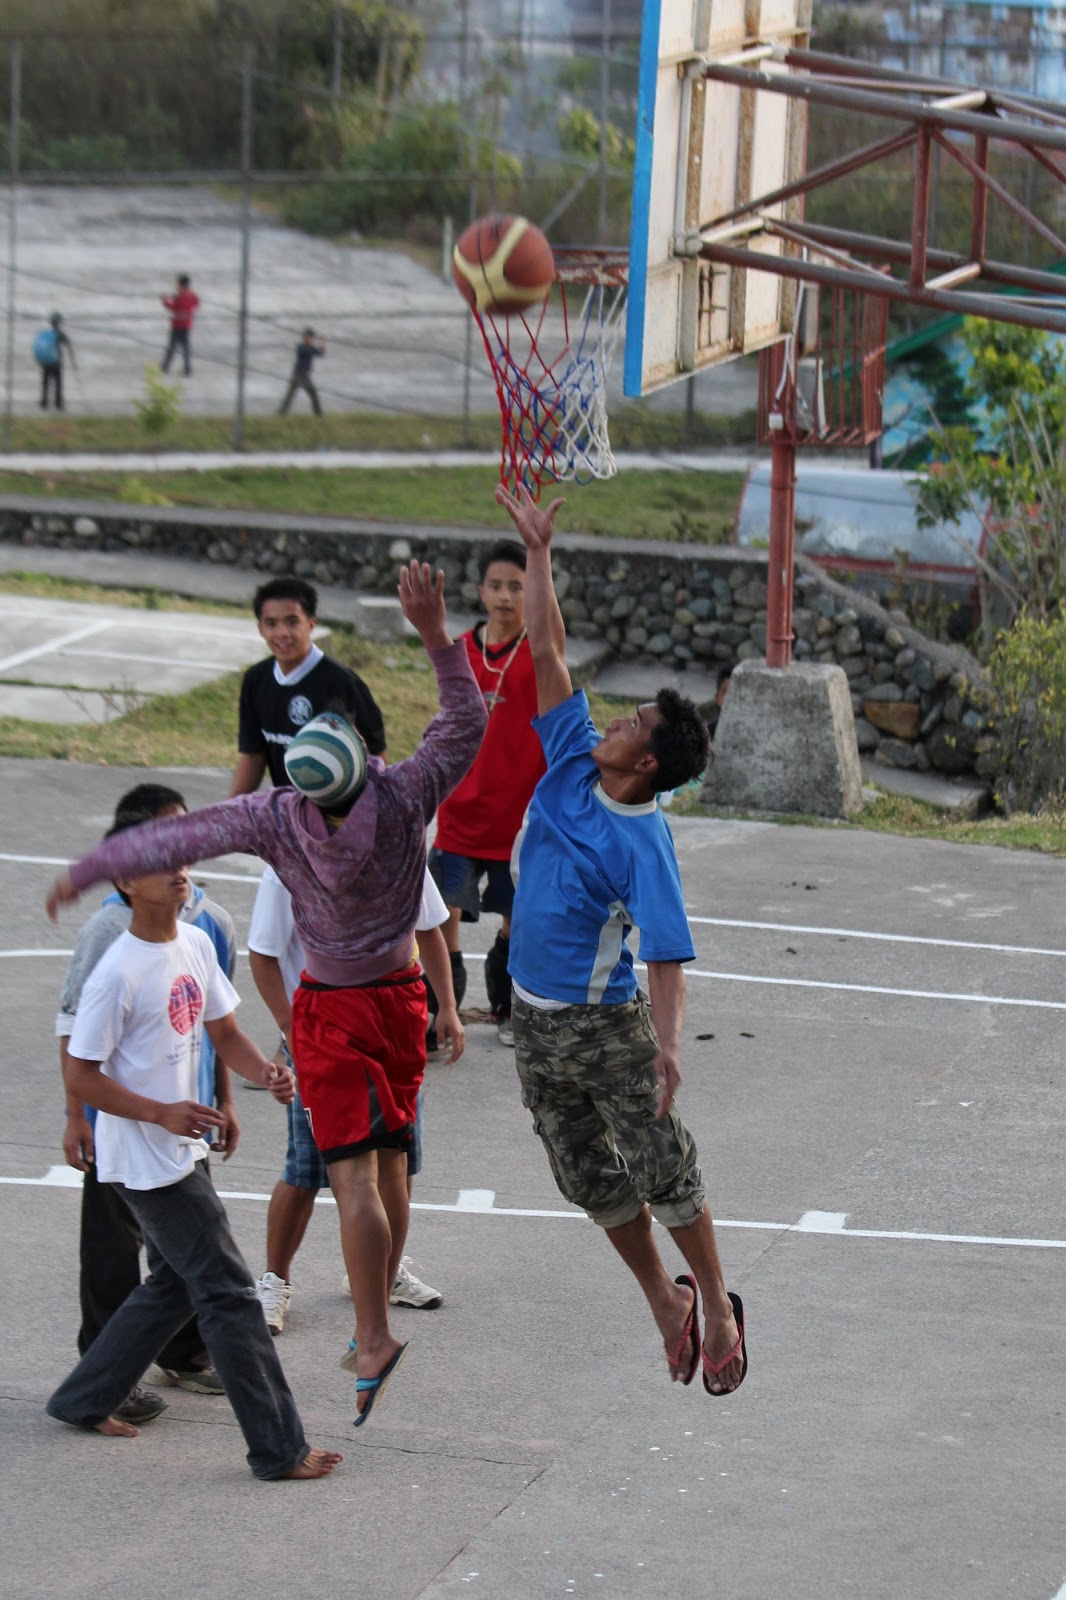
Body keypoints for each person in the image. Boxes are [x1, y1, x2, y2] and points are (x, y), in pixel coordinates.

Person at [47, 560, 488, 1428]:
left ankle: (371, 1336)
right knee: (394, 1163)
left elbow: (185, 830)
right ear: (366, 759)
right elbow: (466, 719)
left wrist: (86, 872)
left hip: (329, 1009)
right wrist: (435, 633)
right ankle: (373, 1324)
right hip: (400, 1000)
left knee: (350, 1177)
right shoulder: (404, 797)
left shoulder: (279, 819)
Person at [495, 483, 749, 1400]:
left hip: (606, 1028)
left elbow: (667, 952)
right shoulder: (571, 757)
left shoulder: (642, 840)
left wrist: (670, 1044)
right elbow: (549, 643)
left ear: (644, 765)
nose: (614, 719)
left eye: (632, 724)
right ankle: (662, 1301)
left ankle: (716, 1305)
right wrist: (538, 551)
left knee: (665, 1169)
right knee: (585, 1176)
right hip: (532, 1017)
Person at [44, 824, 341, 1481]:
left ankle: (83, 1396)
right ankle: (278, 1448)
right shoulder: (117, 971)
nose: (180, 869)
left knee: (178, 1281)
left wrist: (265, 1072)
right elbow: (82, 1075)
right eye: (160, 864)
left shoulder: (196, 944)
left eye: (181, 859)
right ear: (126, 884)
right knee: (231, 1293)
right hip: (143, 1158)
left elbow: (225, 1030)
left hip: (182, 1148)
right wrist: (160, 1112)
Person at [57, 784, 240, 1422]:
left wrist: (226, 1098)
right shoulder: (109, 933)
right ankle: (101, 1373)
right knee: (117, 1251)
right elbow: (73, 1034)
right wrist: (75, 1117)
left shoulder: (207, 924)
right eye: (165, 842)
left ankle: (182, 1354)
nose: (180, 855)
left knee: (179, 1263)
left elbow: (215, 1028)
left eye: (185, 840)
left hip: (187, 1123)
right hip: (124, 1124)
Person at [249, 861, 463, 1333]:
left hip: (391, 1034)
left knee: (398, 1163)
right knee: (305, 1170)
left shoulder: (396, 844)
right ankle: (276, 1279)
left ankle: (380, 1279)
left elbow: (429, 926)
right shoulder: (289, 864)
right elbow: (262, 955)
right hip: (323, 1037)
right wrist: (292, 1030)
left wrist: (446, 1004)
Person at [429, 538, 545, 1048]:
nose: (504, 596)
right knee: (439, 920)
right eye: (496, 586)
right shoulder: (458, 652)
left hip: (517, 822)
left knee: (516, 923)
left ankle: (507, 1008)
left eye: (516, 587)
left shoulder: (542, 653)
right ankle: (439, 1016)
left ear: (532, 592)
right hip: (458, 813)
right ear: (480, 591)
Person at [230, 576, 387, 800]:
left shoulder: (341, 683)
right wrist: (227, 814)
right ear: (260, 629)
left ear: (311, 624)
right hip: (289, 817)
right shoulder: (256, 680)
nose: (282, 633)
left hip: (335, 820)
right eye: (271, 623)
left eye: (292, 622)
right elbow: (253, 755)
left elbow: (376, 758)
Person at [279, 328, 326, 416]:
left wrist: (322, 345)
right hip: (298, 374)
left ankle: (319, 414)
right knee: (290, 395)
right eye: (306, 337)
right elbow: (309, 351)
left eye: (310, 337)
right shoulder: (301, 347)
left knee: (313, 394)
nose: (308, 339)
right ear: (304, 337)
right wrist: (319, 348)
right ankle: (282, 413)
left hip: (305, 375)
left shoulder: (310, 347)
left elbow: (320, 354)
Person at [34, 312, 76, 412]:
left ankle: (44, 402)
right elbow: (69, 346)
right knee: (58, 383)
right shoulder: (60, 334)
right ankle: (58, 403)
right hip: (56, 363)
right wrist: (73, 362)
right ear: (59, 323)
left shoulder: (47, 334)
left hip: (45, 362)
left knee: (45, 382)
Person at [160, 273, 200, 376]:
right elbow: (197, 304)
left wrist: (164, 301)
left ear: (181, 284)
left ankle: (165, 367)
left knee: (171, 347)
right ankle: (187, 369)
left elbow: (172, 307)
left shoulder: (179, 295)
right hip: (187, 325)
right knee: (186, 347)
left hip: (177, 325)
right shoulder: (192, 295)